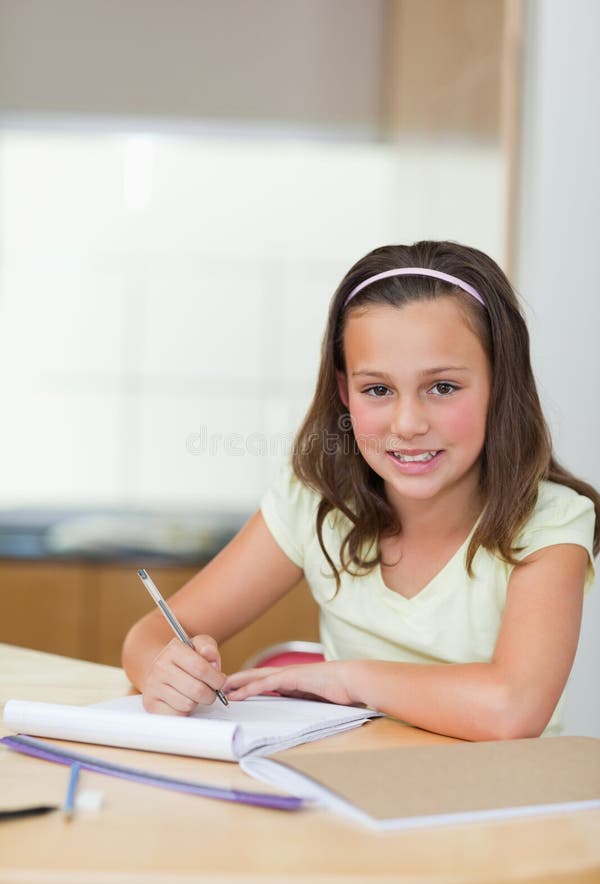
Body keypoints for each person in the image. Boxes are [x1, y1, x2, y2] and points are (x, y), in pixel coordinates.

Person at [122, 240, 599, 740]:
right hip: (356, 791)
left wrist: (349, 677)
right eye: (378, 389)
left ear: (500, 384)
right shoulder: (317, 503)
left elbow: (512, 709)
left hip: (501, 805)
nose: (408, 423)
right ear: (345, 392)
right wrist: (166, 668)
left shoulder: (551, 521)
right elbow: (148, 636)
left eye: (442, 387)